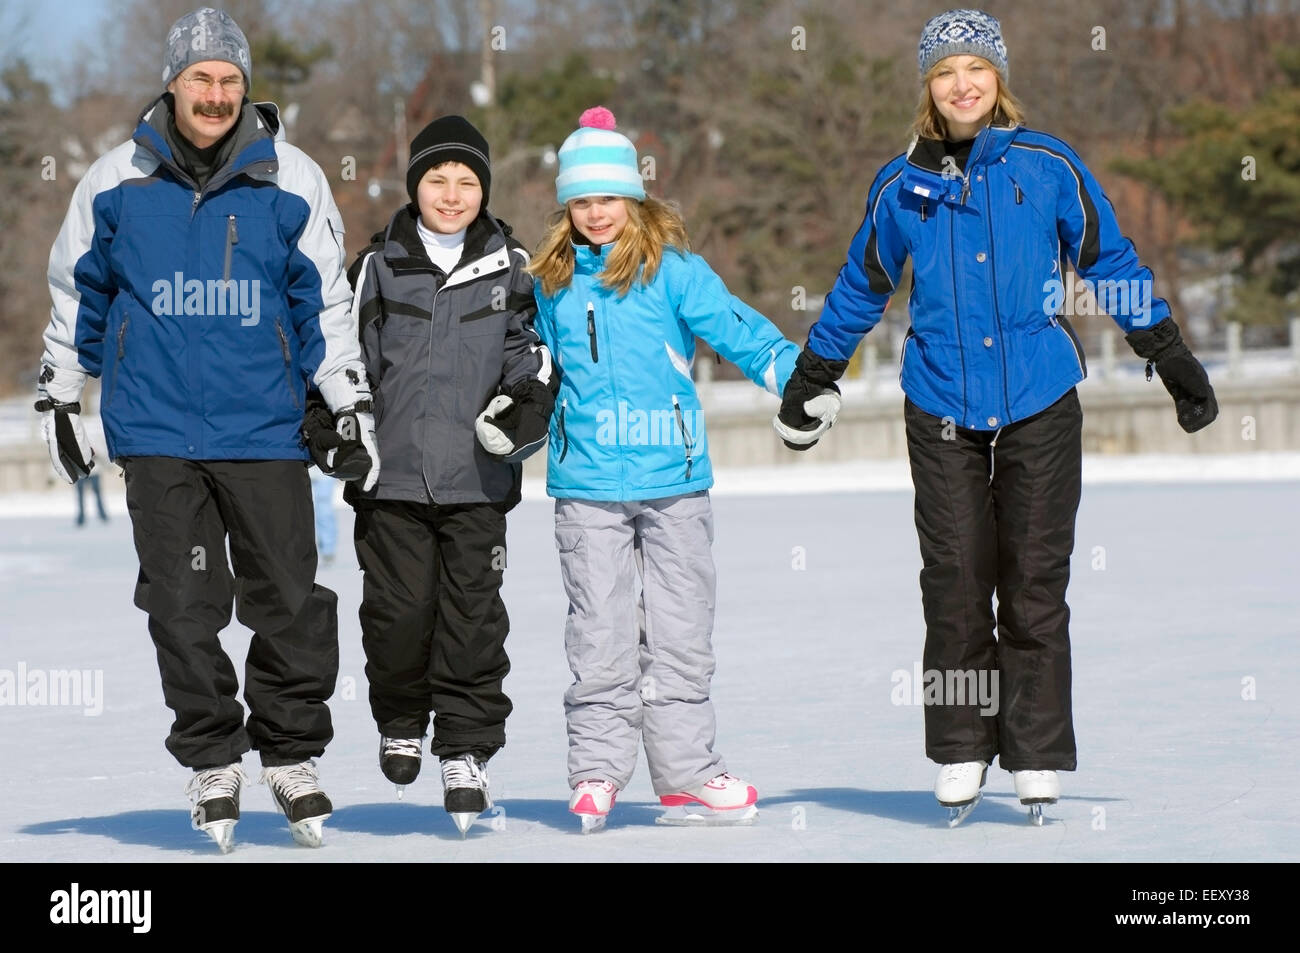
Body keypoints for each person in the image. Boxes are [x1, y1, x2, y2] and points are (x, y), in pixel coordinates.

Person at [777, 9, 1218, 825]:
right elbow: (861, 287)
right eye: (945, 72)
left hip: (1040, 402)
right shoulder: (899, 184)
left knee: (1033, 586)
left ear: (998, 78)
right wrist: (814, 372)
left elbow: (1108, 261)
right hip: (940, 402)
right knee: (953, 584)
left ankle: (1037, 753)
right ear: (928, 87)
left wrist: (1170, 354)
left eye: (975, 68)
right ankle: (958, 746)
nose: (962, 83)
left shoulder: (1048, 166)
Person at [36, 7, 378, 852]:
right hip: (155, 431)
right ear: (174, 84)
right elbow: (78, 290)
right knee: (184, 608)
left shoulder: (290, 176)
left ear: (246, 89)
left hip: (263, 429)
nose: (216, 94)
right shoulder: (115, 179)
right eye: (202, 79)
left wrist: (347, 399)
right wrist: (61, 394)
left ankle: (291, 752)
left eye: (230, 81)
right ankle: (214, 757)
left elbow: (324, 300)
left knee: (290, 601)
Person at [527, 107, 837, 831]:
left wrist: (799, 379)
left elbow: (740, 330)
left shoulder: (673, 273)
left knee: (679, 632)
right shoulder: (549, 280)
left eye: (607, 198)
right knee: (598, 632)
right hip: (587, 486)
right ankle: (597, 771)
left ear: (634, 199)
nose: (596, 213)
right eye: (582, 200)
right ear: (566, 206)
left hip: (676, 483)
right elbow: (524, 366)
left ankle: (689, 774)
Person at [303, 115, 555, 835]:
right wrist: (333, 431)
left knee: (473, 619)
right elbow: (338, 359)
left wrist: (523, 406)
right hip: (392, 481)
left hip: (478, 479)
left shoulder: (512, 265)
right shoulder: (374, 266)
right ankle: (402, 717)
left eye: (467, 181)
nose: (452, 194)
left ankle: (467, 747)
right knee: (398, 613)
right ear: (415, 186)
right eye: (437, 180)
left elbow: (530, 356)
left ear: (484, 189)